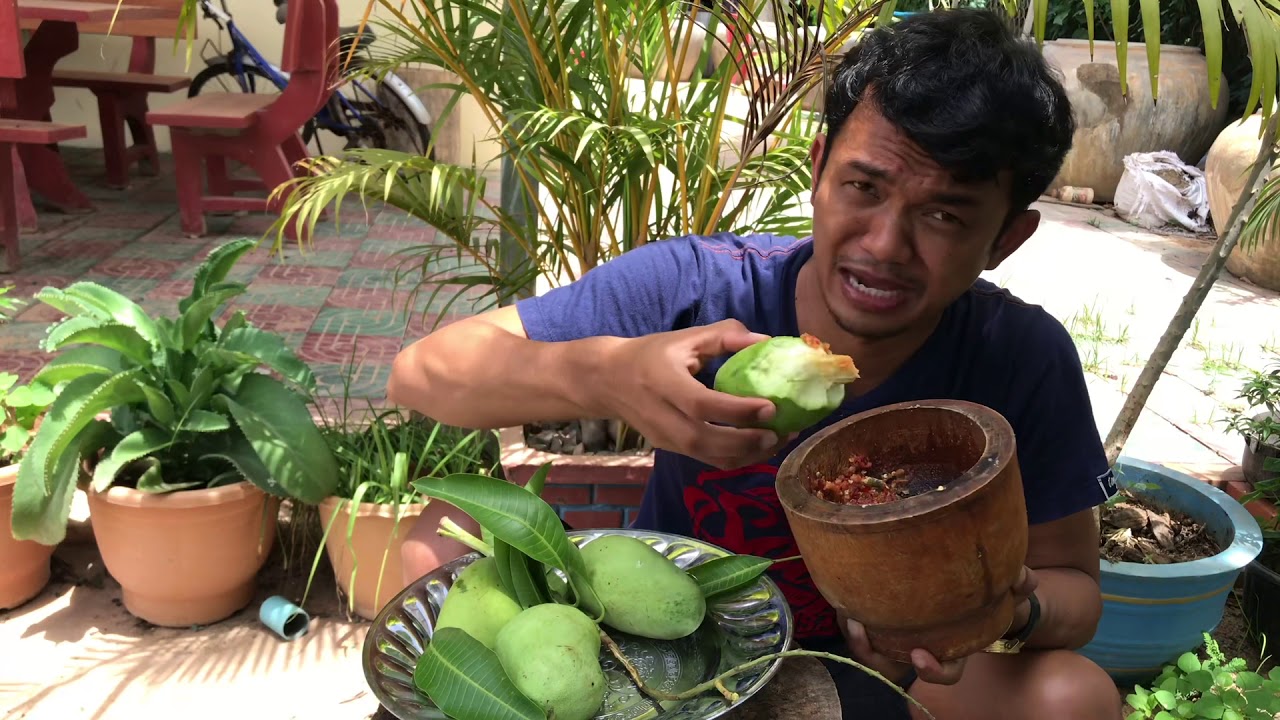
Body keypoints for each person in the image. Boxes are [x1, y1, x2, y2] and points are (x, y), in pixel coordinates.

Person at [388, 8, 1124, 719]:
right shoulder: (699, 289)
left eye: (946, 216)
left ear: (1006, 238)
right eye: (863, 188)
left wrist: (994, 611)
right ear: (817, 168)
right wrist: (602, 374)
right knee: (430, 544)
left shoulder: (1021, 357)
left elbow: (1075, 593)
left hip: (886, 670)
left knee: (1074, 699)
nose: (883, 245)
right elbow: (423, 373)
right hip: (681, 643)